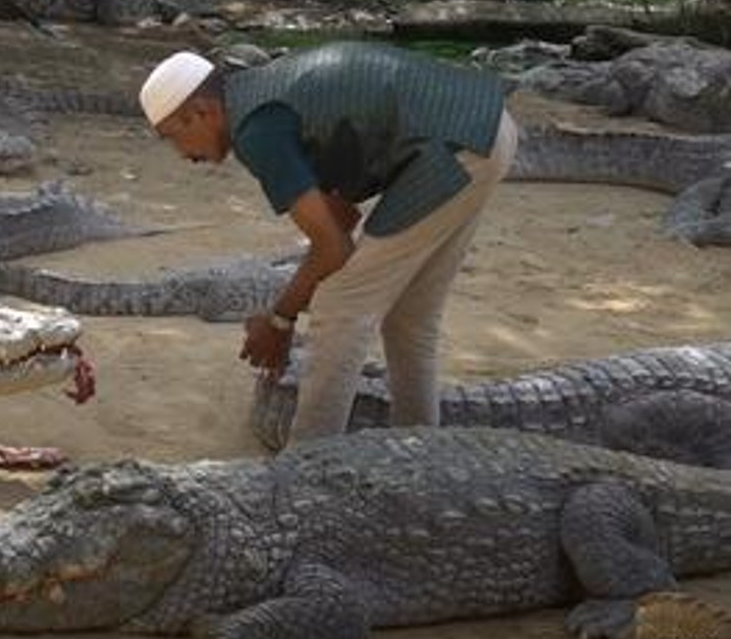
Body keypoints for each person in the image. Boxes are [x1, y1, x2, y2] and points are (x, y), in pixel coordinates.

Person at [138, 42, 518, 442]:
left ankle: (309, 467)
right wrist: (282, 316)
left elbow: (334, 249)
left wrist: (279, 319)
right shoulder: (263, 95)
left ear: (202, 112)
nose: (181, 154)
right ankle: (420, 452)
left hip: (456, 147)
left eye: (173, 137)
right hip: (487, 129)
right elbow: (341, 221)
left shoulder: (257, 131)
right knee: (411, 318)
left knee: (341, 306)